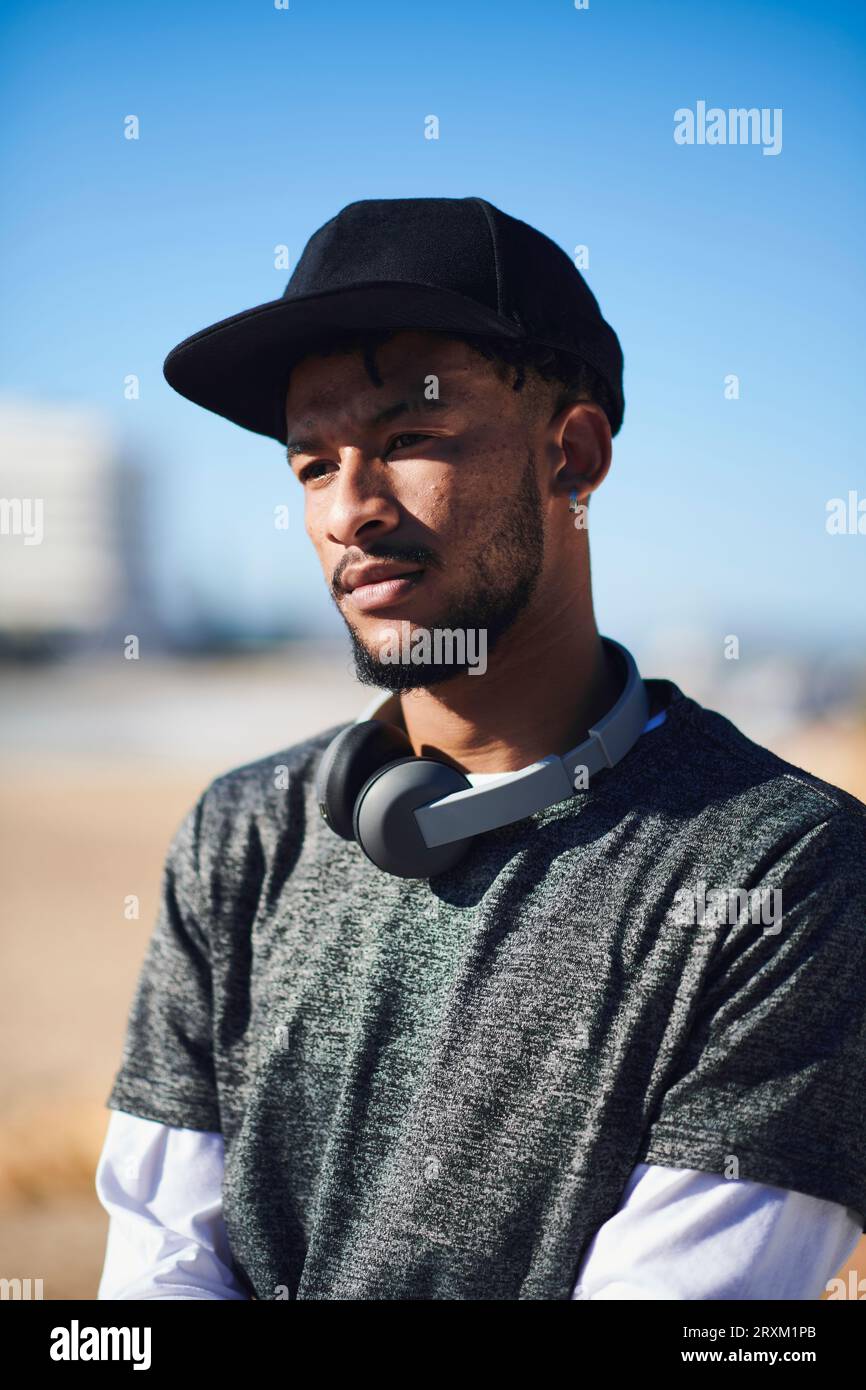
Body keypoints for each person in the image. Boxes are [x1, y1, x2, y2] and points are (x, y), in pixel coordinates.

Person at [96, 197, 866, 1300]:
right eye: (312, 463)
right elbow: (156, 1272)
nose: (347, 509)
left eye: (406, 438)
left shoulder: (781, 873)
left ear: (575, 453)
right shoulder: (243, 830)